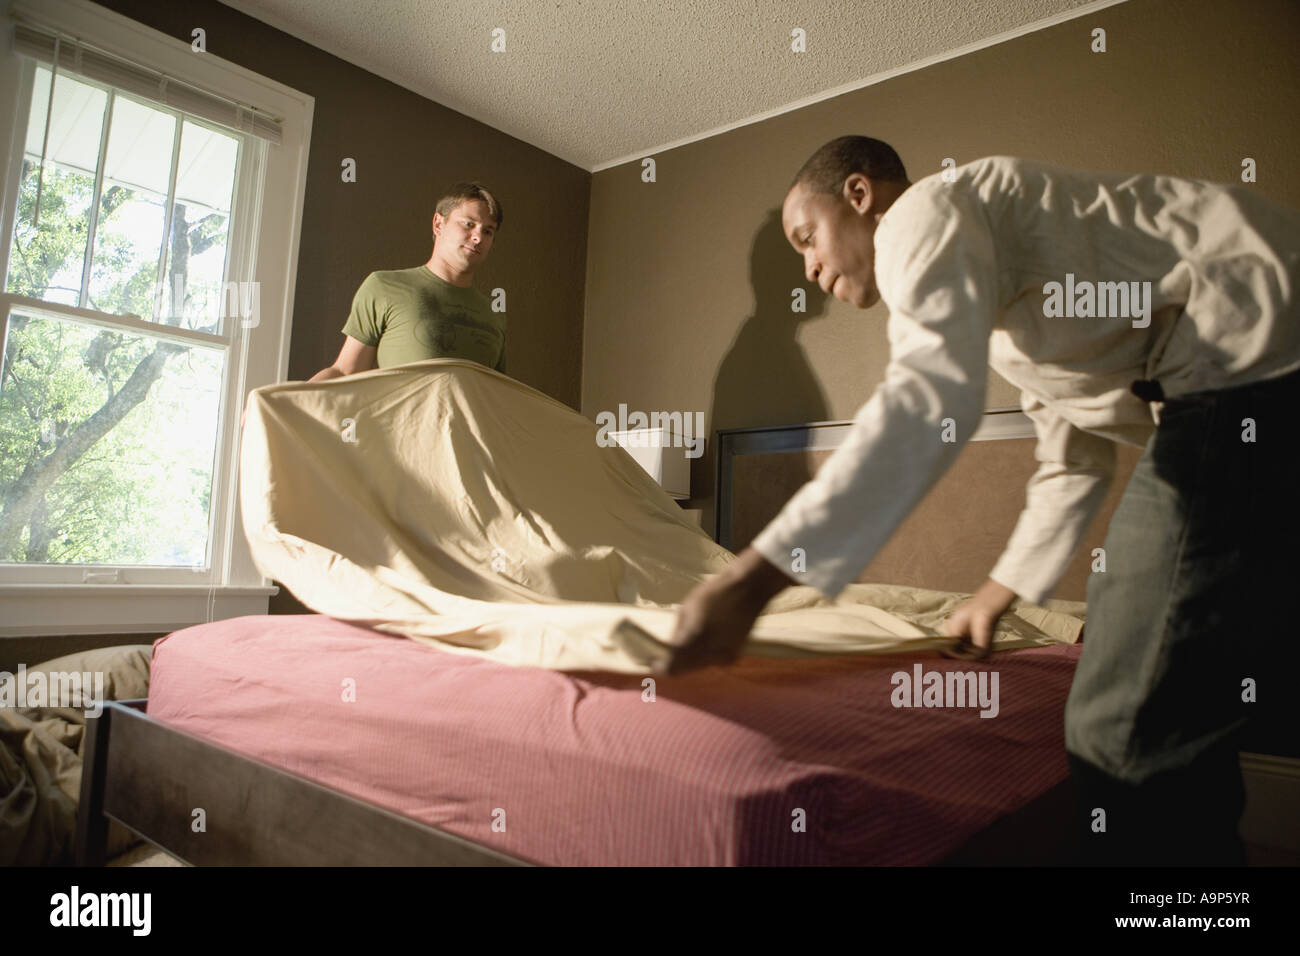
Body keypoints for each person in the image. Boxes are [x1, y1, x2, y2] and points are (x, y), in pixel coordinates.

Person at [667, 136, 1300, 866]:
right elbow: (1071, 460)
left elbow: (925, 402)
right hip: (1250, 368)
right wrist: (999, 592)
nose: (808, 268)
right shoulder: (1013, 312)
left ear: (860, 196)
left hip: (1247, 360)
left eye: (807, 238)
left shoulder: (925, 212)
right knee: (1164, 678)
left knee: (1122, 722)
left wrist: (753, 580)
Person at [309, 181, 507, 382]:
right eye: (469, 224)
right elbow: (345, 372)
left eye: (488, 231)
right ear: (438, 224)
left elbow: (499, 396)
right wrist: (287, 403)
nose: (478, 237)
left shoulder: (493, 316)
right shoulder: (384, 286)